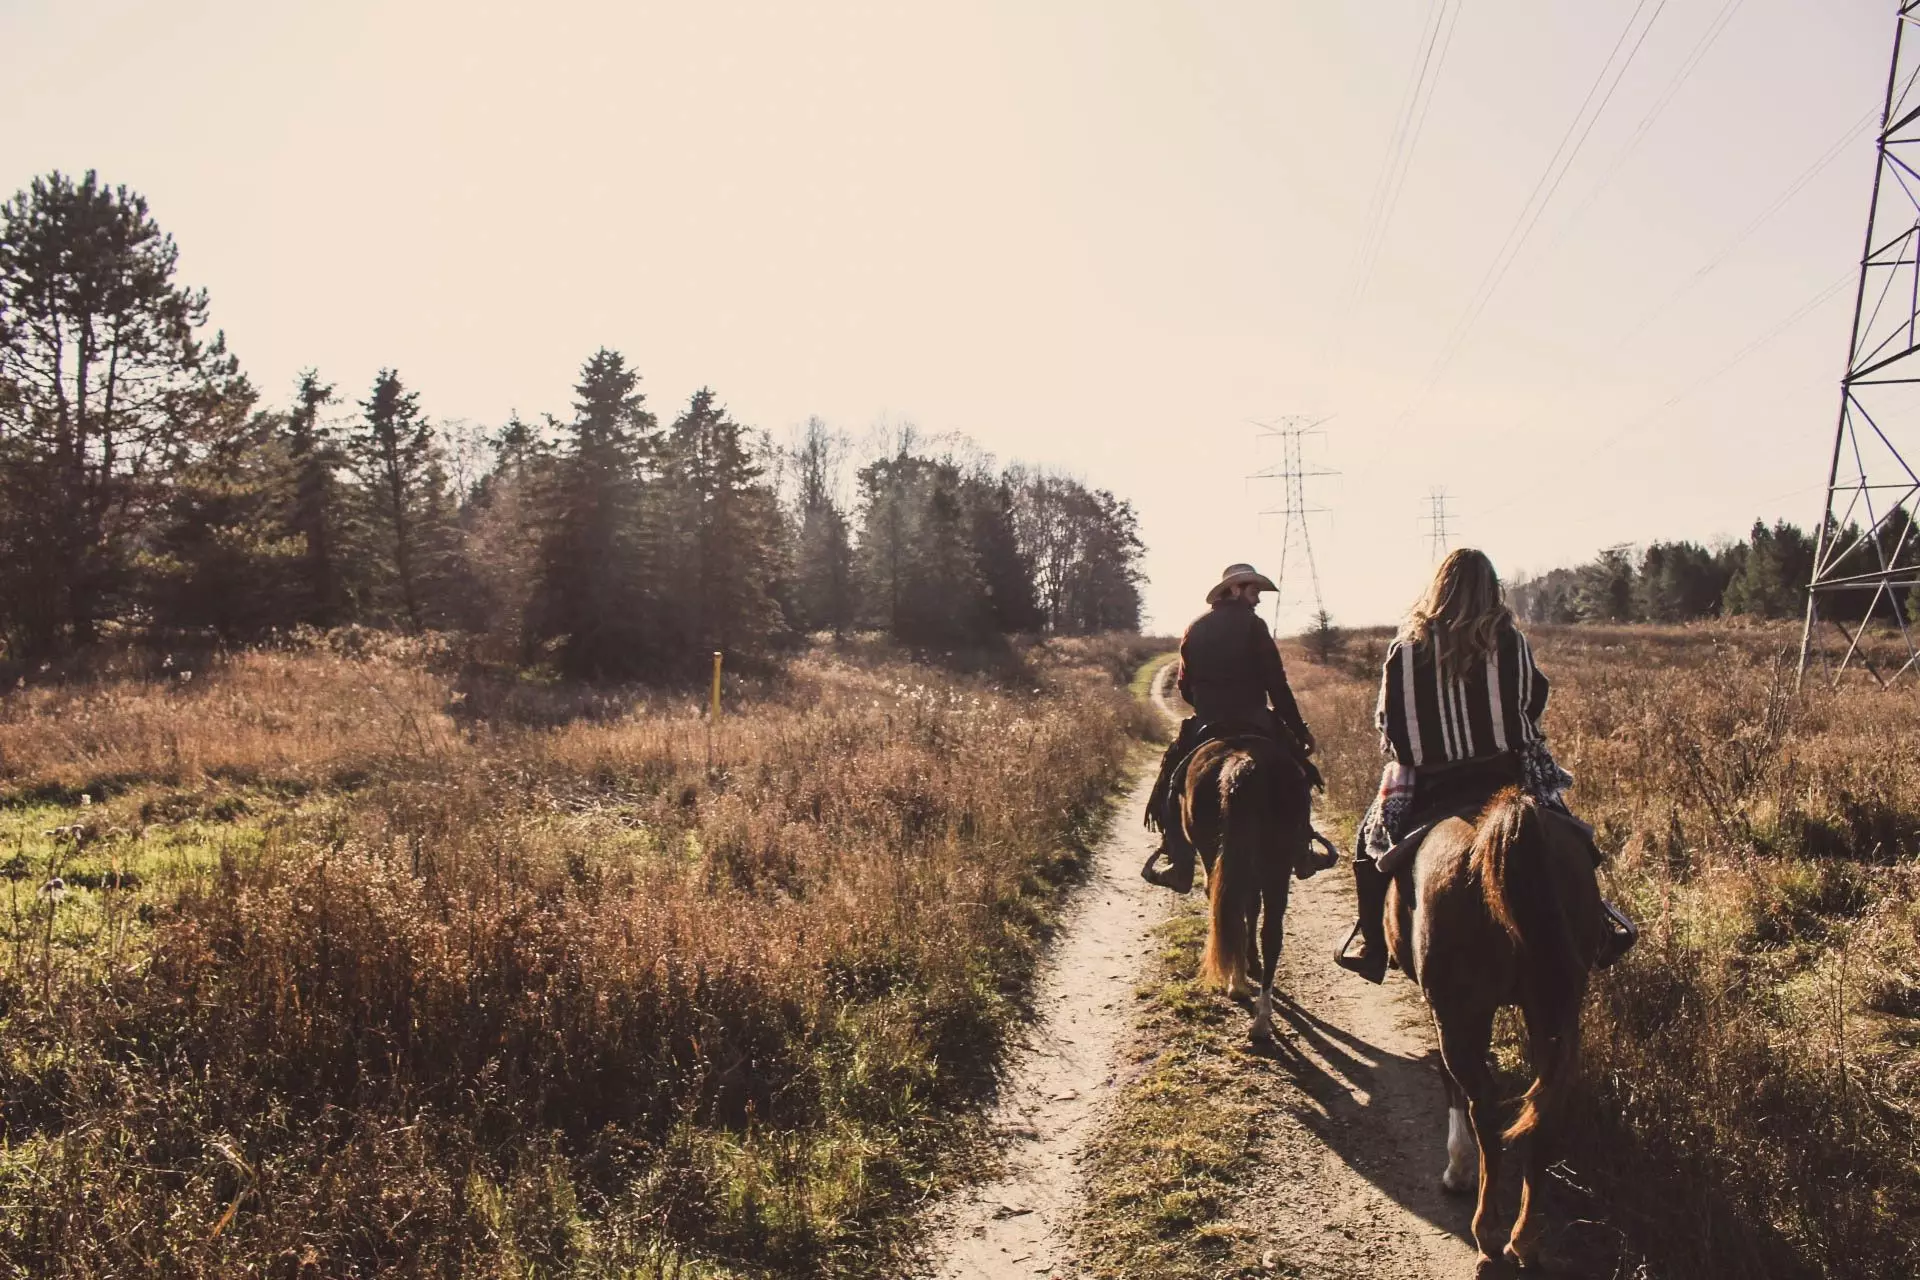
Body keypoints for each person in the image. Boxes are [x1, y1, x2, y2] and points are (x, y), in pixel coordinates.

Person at [1335, 548, 1637, 983]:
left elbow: (1389, 722)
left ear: (1439, 588)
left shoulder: (1404, 650)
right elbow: (1534, 701)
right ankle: (1599, 925)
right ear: (1490, 590)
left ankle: (1371, 944)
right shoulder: (1511, 642)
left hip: (1432, 783)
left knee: (1369, 845)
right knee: (1570, 835)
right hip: (1505, 774)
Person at [1141, 563, 1322, 894]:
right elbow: (1277, 685)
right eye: (1253, 592)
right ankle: (1302, 849)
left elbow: (1185, 686)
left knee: (1170, 783)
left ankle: (1179, 865)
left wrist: (1209, 703)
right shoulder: (1255, 626)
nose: (1257, 600)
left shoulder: (1194, 628)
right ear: (1235, 590)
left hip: (1208, 721)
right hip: (1256, 719)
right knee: (1299, 774)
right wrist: (1299, 730)